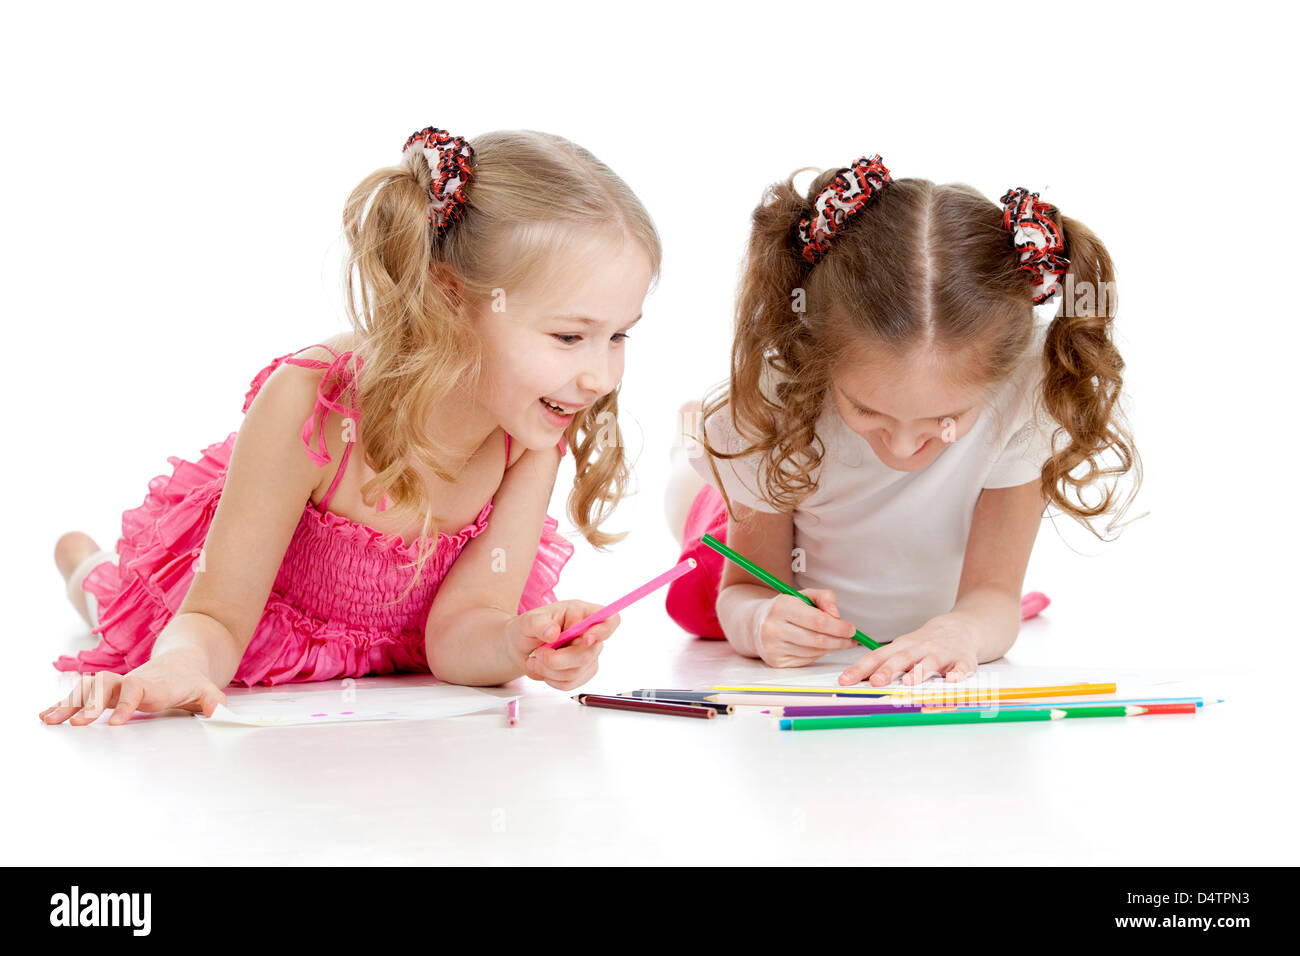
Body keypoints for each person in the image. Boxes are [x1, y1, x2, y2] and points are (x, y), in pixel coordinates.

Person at [43, 126, 658, 725]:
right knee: (109, 598)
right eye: (570, 336)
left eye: (619, 335)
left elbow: (463, 627)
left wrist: (517, 643)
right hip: (249, 619)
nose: (600, 377)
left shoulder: (530, 431)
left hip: (399, 649)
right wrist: (177, 665)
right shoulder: (314, 401)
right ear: (450, 297)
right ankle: (83, 562)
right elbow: (217, 618)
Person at [664, 154, 1140, 687]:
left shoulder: (1024, 396)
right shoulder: (775, 401)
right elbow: (744, 591)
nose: (904, 445)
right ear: (820, 356)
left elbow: (993, 599)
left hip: (907, 602)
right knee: (699, 549)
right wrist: (760, 621)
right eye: (867, 410)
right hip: (754, 516)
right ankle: (696, 481)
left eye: (944, 419)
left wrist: (962, 629)